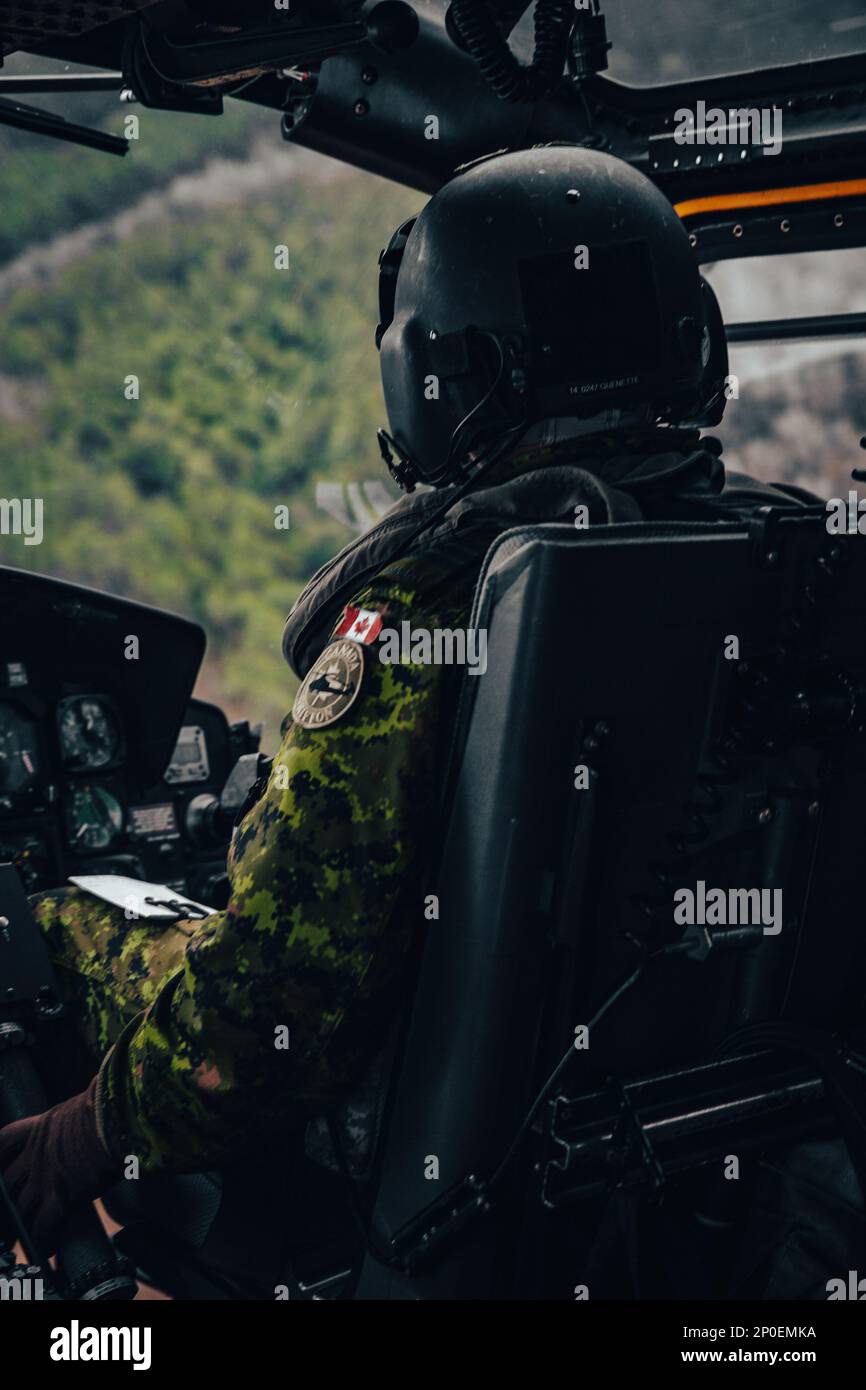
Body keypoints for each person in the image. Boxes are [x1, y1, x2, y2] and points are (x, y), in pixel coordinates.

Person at [0, 145, 812, 1258]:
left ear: (439, 376)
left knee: (45, 923)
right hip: (695, 1158)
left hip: (428, 1190)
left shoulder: (431, 612)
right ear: (691, 339)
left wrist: (81, 1135)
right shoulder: (791, 564)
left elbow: (275, 1008)